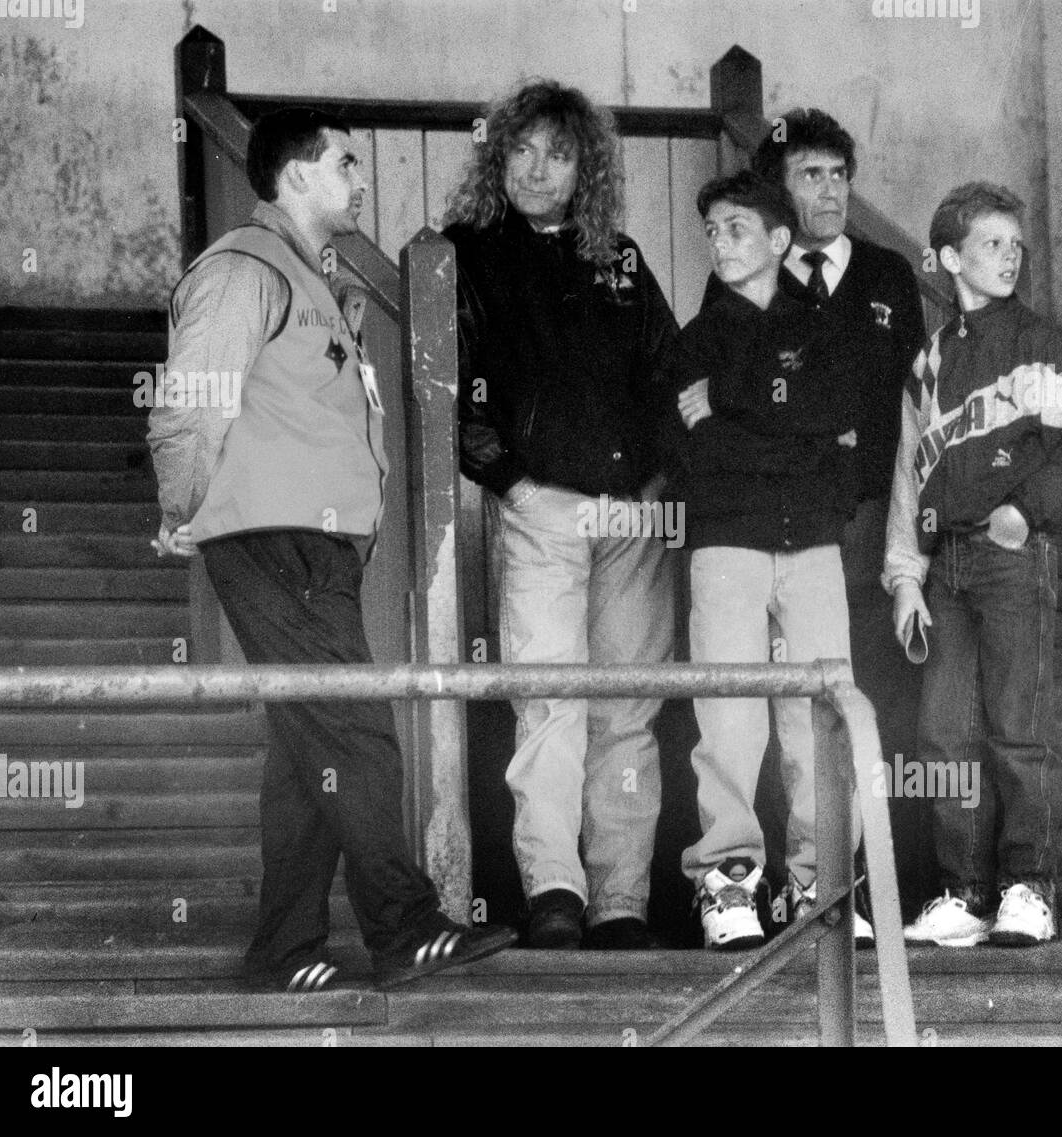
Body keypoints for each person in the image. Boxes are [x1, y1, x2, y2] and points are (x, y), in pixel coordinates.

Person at [147, 106, 515, 991]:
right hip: (279, 540)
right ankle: (405, 926)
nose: (360, 176)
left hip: (309, 546)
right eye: (345, 161)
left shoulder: (306, 276)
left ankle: (283, 948)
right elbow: (190, 400)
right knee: (357, 732)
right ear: (299, 174)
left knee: (304, 751)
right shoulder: (244, 267)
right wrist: (181, 504)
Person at [442, 80, 679, 950]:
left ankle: (621, 902)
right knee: (550, 703)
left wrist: (657, 483)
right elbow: (449, 388)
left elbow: (668, 372)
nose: (539, 169)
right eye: (524, 150)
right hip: (540, 511)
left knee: (628, 708)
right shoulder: (464, 255)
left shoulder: (617, 256)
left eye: (561, 153)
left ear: (589, 168)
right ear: (498, 156)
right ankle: (553, 892)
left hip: (634, 518)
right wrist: (512, 482)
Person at [695, 108, 928, 909]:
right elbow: (714, 418)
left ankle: (862, 885)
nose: (830, 190)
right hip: (771, 523)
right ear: (778, 192)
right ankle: (746, 883)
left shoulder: (891, 276)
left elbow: (913, 409)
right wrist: (801, 446)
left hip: (867, 524)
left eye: (839, 174)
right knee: (748, 709)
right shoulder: (742, 274)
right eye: (811, 175)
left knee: (864, 704)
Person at [883, 182, 1062, 946]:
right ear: (948, 258)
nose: (1008, 257)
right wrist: (905, 576)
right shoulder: (928, 361)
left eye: (1015, 246)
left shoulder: (1037, 342)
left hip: (1012, 557)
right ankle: (963, 892)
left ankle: (1028, 887)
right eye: (990, 244)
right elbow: (907, 478)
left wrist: (1026, 510)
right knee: (945, 734)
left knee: (1017, 729)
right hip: (943, 564)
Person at [669, 170, 872, 950]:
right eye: (712, 230)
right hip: (726, 541)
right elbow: (691, 450)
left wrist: (733, 407)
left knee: (821, 716)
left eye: (737, 228)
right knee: (727, 717)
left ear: (781, 239)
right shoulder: (697, 337)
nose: (720, 242)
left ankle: (823, 886)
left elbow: (842, 418)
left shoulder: (827, 327)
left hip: (814, 542)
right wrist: (791, 433)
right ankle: (729, 883)